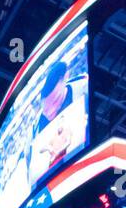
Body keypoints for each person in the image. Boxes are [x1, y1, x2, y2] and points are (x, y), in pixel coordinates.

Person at [26, 57, 85, 185]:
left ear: (65, 78)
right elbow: (30, 174)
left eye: (56, 101)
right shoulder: (33, 132)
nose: (52, 112)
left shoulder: (84, 89)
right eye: (47, 109)